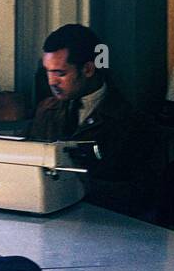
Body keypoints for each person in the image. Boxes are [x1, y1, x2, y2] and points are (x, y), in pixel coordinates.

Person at [28, 23, 156, 214]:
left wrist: (79, 184)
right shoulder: (46, 111)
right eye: (48, 71)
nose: (52, 81)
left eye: (61, 73)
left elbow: (143, 195)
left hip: (105, 225)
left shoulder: (132, 122)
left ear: (88, 69)